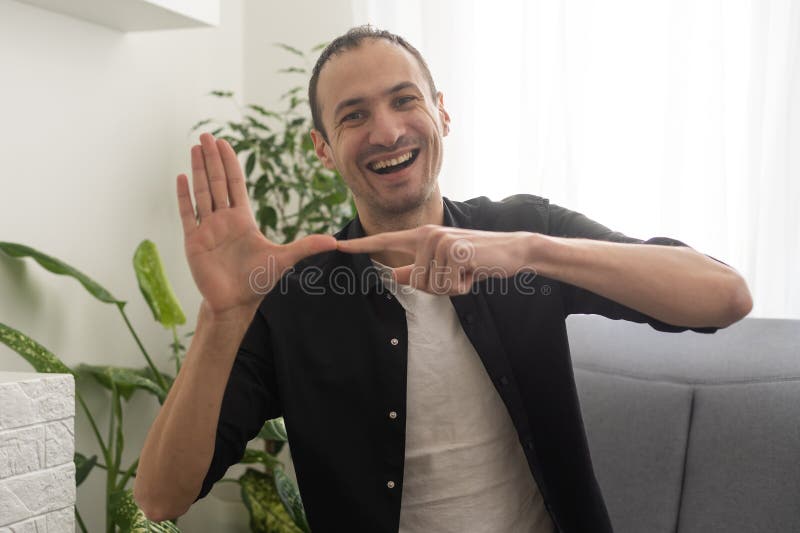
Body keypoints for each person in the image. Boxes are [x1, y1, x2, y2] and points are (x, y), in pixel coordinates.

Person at [133, 26, 752, 533]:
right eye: (354, 116)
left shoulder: (520, 231)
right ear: (323, 149)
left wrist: (533, 251)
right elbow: (162, 497)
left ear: (441, 113)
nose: (387, 130)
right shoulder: (294, 293)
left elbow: (724, 298)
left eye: (405, 100)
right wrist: (223, 317)